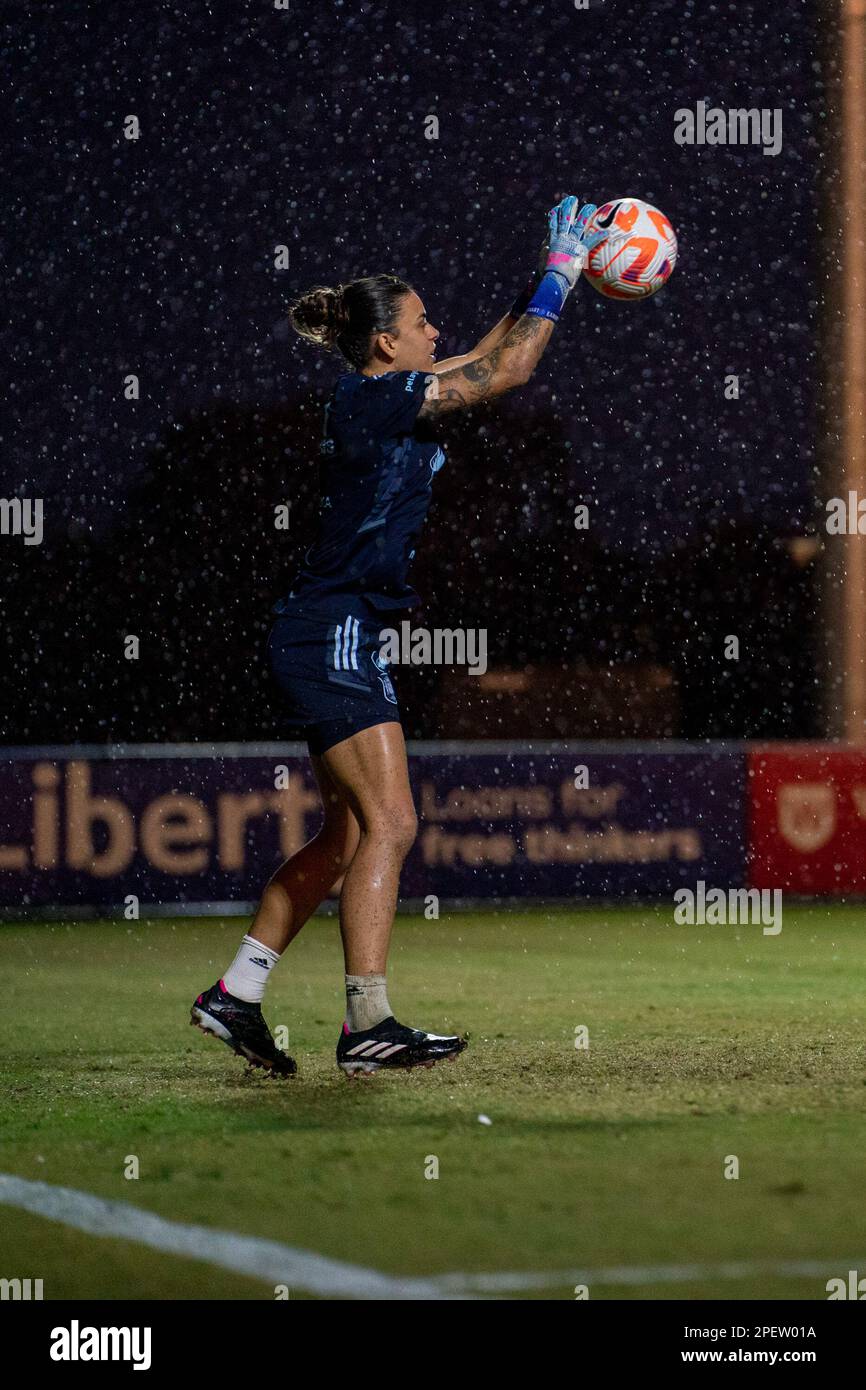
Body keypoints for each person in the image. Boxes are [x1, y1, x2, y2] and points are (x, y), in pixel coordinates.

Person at [190, 197, 608, 1077]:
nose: (434, 329)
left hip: (326, 631)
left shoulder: (381, 394)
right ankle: (367, 1024)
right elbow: (511, 373)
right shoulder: (378, 401)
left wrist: (546, 265)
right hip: (334, 632)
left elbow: (488, 357)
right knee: (394, 821)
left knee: (345, 840)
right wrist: (566, 278)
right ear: (387, 344)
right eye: (421, 322)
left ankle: (237, 994)